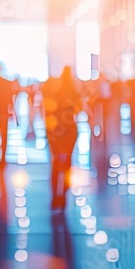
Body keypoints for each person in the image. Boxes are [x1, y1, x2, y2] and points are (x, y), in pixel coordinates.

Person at [41, 67, 86, 210]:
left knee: (55, 162)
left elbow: (47, 112)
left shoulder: (54, 93)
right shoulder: (74, 93)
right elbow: (80, 110)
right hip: (70, 131)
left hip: (55, 132)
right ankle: (64, 195)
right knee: (67, 162)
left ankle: (55, 194)